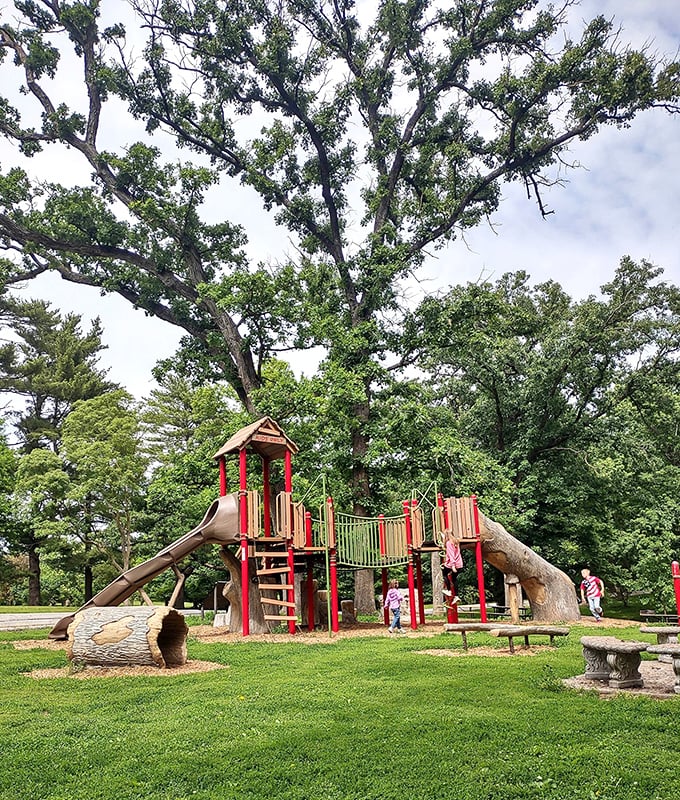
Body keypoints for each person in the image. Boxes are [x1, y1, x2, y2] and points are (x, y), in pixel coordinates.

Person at [441, 532, 463, 607]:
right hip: (459, 564)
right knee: (454, 579)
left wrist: (453, 565)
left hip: (452, 564)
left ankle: (449, 591)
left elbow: (451, 554)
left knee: (444, 574)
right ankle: (456, 596)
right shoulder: (456, 541)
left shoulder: (449, 543)